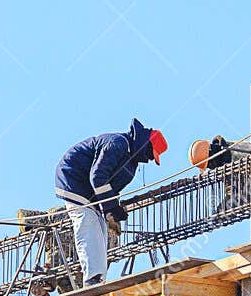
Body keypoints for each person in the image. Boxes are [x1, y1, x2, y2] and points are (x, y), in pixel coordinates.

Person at [55, 118, 167, 286]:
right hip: (74, 179)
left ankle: (98, 278)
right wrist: (111, 207)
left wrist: (110, 211)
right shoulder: (118, 144)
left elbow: (111, 185)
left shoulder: (130, 160)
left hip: (88, 190)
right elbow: (98, 177)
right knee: (88, 224)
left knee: (101, 230)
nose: (149, 159)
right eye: (151, 154)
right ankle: (92, 278)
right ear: (146, 144)